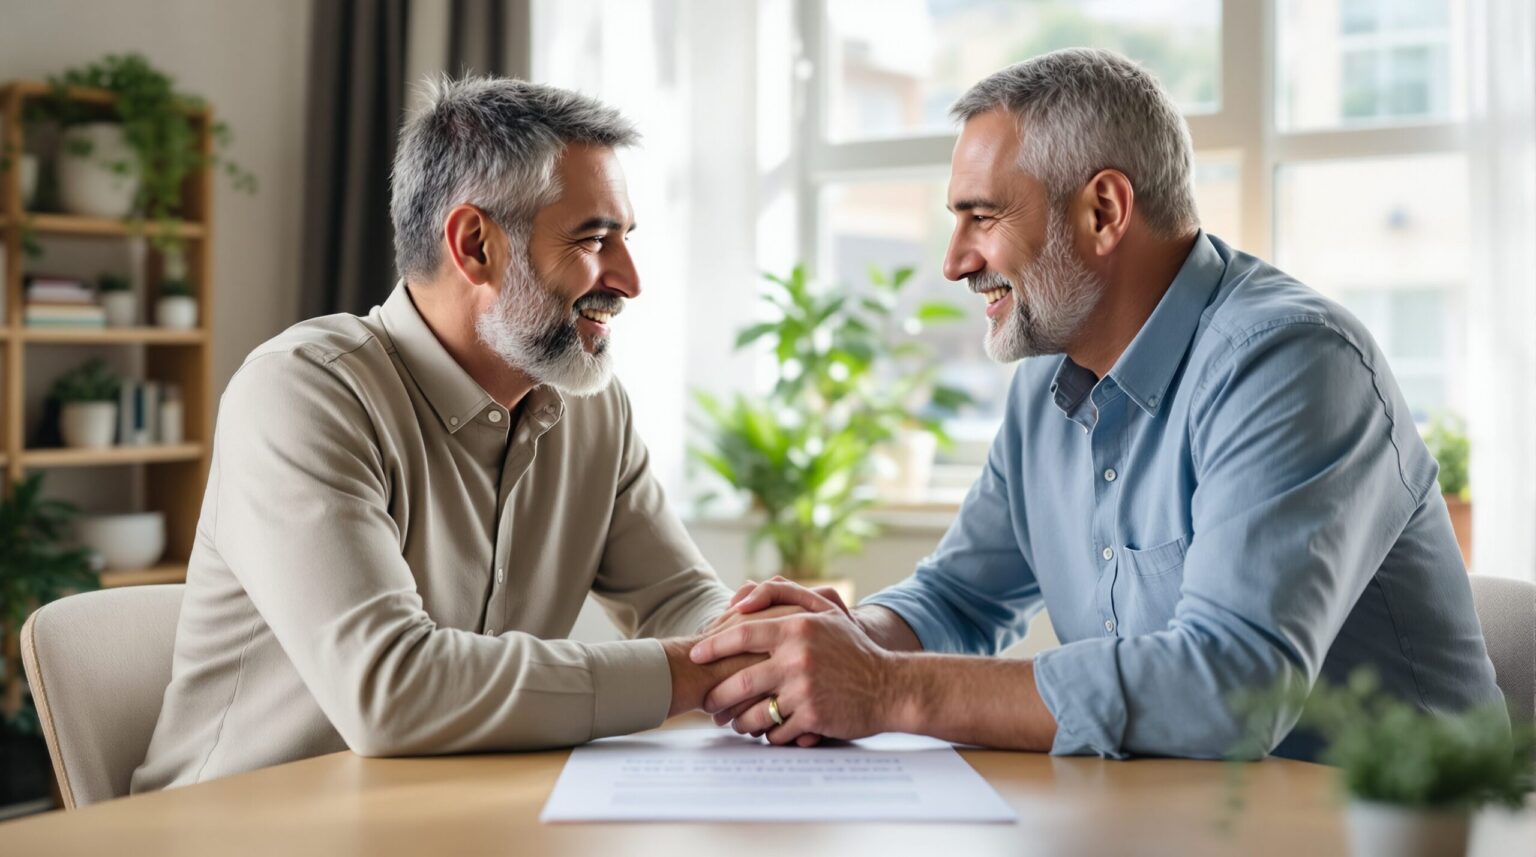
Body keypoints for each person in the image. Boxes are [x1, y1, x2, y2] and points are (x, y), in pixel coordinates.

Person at [693, 48, 1504, 761]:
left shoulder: (1290, 362)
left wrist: (883, 687)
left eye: (983, 216)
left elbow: (1231, 688)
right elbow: (960, 597)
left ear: (1104, 211)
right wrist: (834, 643)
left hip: (1398, 829)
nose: (954, 261)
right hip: (1177, 817)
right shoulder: (1047, 380)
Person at [132, 76, 778, 792]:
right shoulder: (302, 392)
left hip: (447, 814)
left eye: (625, 239)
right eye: (595, 240)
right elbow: (393, 688)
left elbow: (677, 597)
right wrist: (691, 671)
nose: (629, 280)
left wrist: (770, 639)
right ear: (475, 245)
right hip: (235, 826)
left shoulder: (593, 409)